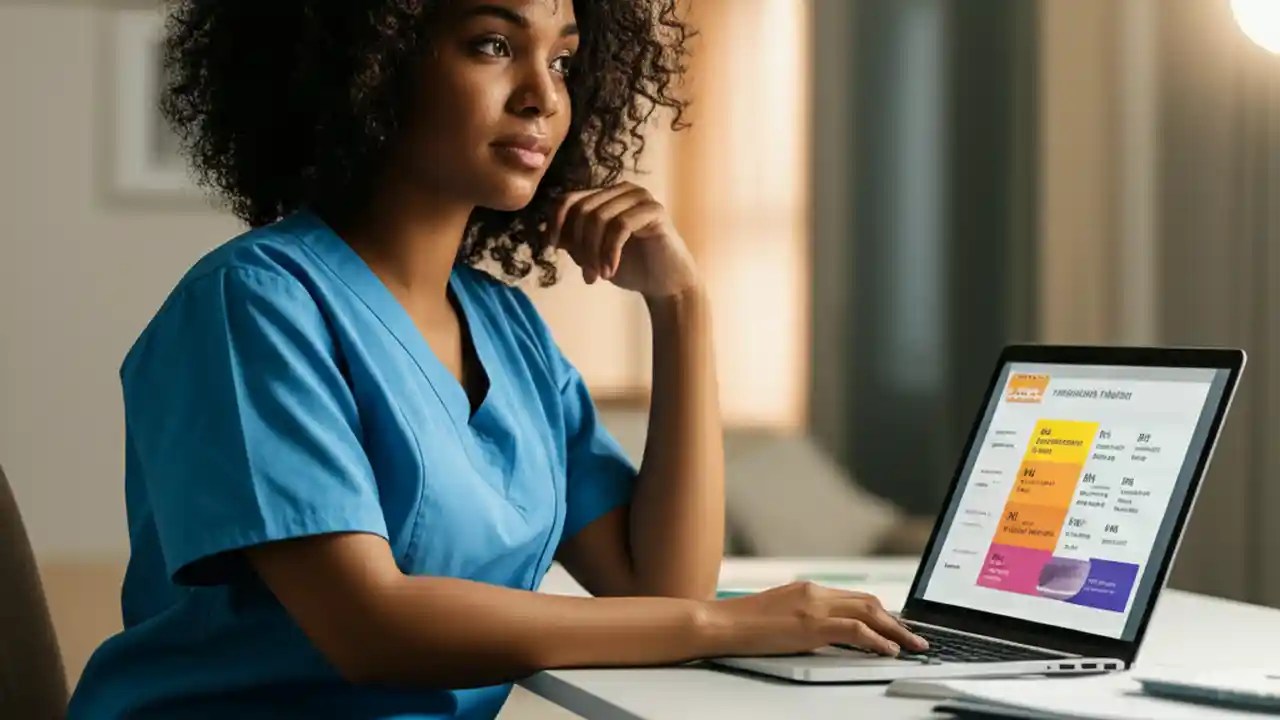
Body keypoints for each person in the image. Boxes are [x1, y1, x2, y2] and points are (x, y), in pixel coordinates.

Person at [68, 1, 927, 717]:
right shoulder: (252, 303)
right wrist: (729, 625)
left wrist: (681, 307)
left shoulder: (508, 328)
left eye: (562, 61)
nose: (541, 98)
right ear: (373, 59)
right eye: (492, 45)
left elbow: (657, 586)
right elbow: (371, 626)